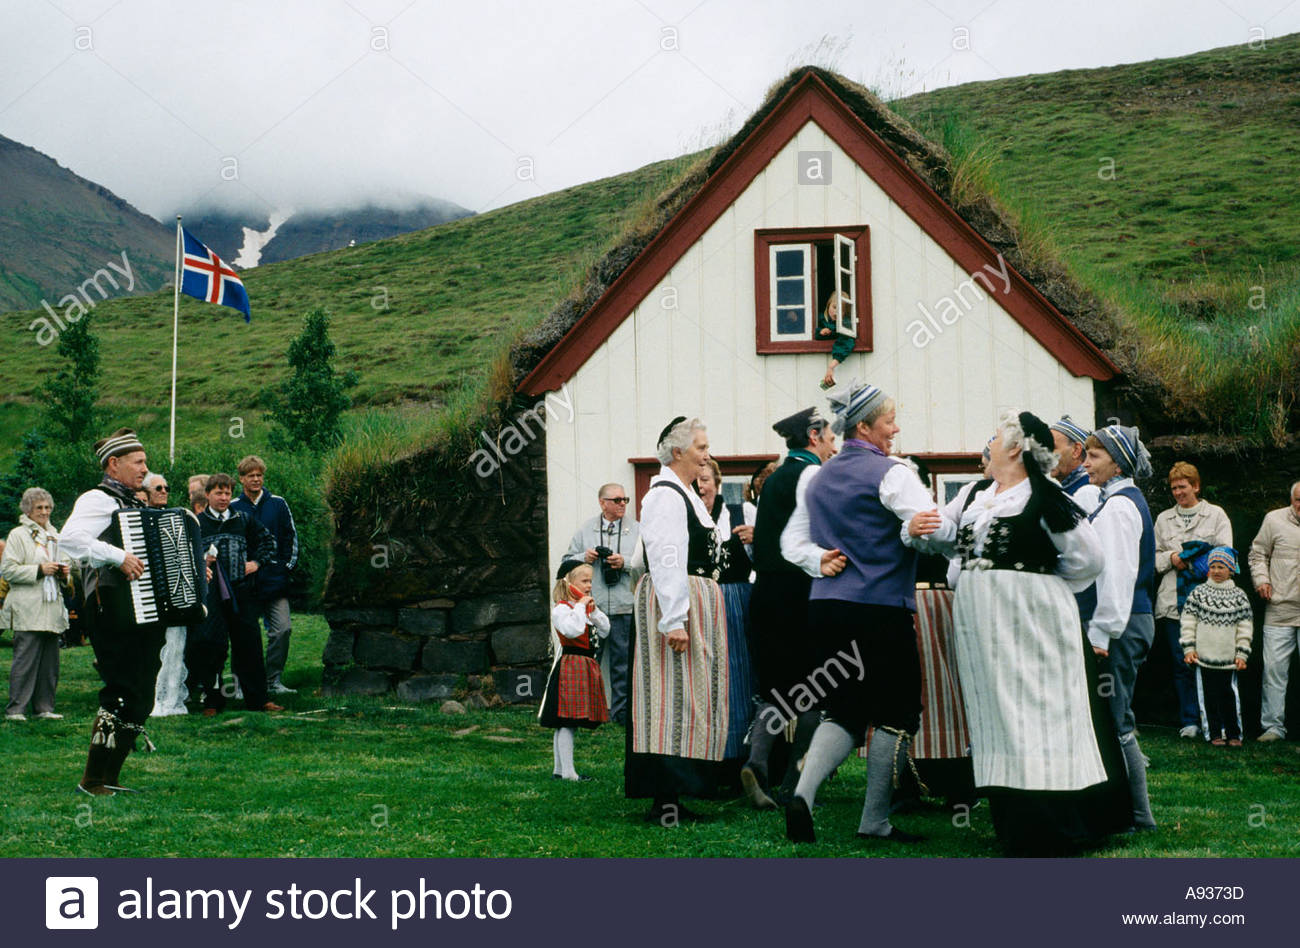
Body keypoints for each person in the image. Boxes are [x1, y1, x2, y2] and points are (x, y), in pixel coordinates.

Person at [924, 411, 1130, 854]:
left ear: (1015, 448)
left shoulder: (1045, 496)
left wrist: (1035, 580)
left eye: (997, 436)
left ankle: (1056, 823)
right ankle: (1014, 820)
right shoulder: (976, 494)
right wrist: (915, 525)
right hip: (981, 623)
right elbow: (948, 537)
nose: (991, 441)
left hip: (1032, 620)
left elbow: (1088, 560)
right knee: (998, 712)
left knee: (1038, 709)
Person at [781, 382, 950, 845]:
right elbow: (931, 531)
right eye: (889, 420)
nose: (895, 428)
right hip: (879, 608)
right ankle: (874, 820)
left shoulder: (816, 477)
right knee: (896, 713)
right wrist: (915, 530)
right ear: (864, 426)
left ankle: (804, 792)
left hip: (826, 608)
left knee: (844, 711)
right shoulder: (893, 472)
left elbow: (790, 544)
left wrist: (818, 561)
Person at [625, 417, 729, 825]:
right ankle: (665, 798)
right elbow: (666, 559)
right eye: (701, 448)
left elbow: (637, 562)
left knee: (685, 695)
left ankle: (676, 792)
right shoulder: (665, 496)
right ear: (678, 452)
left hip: (690, 601)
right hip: (678, 605)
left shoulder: (681, 493)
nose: (707, 455)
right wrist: (673, 619)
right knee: (668, 697)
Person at [740, 406, 840, 810]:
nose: (834, 446)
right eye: (831, 438)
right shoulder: (813, 476)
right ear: (814, 437)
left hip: (765, 592)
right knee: (815, 691)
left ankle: (757, 763)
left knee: (775, 690)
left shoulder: (776, 478)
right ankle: (794, 784)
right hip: (800, 593)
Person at [61, 428, 163, 795]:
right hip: (110, 611)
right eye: (138, 462)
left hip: (140, 612)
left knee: (142, 694)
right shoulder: (98, 499)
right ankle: (92, 779)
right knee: (120, 691)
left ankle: (111, 777)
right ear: (114, 464)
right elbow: (70, 540)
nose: (145, 469)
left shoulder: (131, 502)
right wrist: (118, 556)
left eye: (146, 462)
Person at [1082, 423, 1158, 830]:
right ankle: (1123, 812)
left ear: (1117, 462)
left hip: (1123, 625)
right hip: (1125, 623)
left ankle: (1140, 815)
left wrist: (1101, 633)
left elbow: (1118, 576)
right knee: (1112, 717)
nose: (1086, 462)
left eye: (1094, 456)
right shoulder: (1113, 501)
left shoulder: (1120, 507)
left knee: (1117, 717)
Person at [187, 474, 283, 716]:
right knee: (212, 645)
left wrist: (257, 563)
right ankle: (213, 700)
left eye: (228, 493)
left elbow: (268, 541)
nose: (224, 498)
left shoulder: (243, 520)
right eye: (218, 493)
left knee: (249, 645)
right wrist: (201, 561)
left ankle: (258, 699)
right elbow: (184, 556)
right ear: (207, 494)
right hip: (211, 595)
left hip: (242, 592)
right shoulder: (197, 523)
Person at [1153, 462, 1232, 738]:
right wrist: (1173, 558)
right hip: (1173, 604)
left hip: (1210, 602)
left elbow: (1226, 553)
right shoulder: (1163, 519)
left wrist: (1196, 563)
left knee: (1214, 661)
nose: (1177, 492)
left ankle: (1218, 721)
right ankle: (1190, 721)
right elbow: (1153, 558)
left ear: (1196, 486)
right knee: (1181, 663)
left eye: (1182, 487)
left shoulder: (1216, 515)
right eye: (1173, 488)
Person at [695, 457, 755, 784]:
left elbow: (771, 553)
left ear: (717, 482)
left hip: (736, 603)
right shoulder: (685, 515)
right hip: (701, 604)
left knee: (739, 678)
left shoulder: (742, 511)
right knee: (705, 680)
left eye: (706, 479)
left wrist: (757, 539)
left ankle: (738, 759)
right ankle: (706, 758)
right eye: (696, 480)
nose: (701, 485)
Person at [562, 483, 640, 725]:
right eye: (616, 500)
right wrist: (583, 558)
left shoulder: (637, 530)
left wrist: (624, 563)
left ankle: (621, 715)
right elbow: (565, 562)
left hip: (623, 607)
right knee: (588, 662)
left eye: (624, 499)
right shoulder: (586, 529)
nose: (622, 504)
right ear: (602, 502)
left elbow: (649, 563)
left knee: (622, 666)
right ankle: (586, 713)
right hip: (591, 610)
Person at [230, 455, 299, 695]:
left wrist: (284, 567)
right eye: (251, 476)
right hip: (245, 582)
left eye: (260, 475)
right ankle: (241, 684)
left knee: (283, 629)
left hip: (275, 580)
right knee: (244, 634)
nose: (256, 479)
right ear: (242, 479)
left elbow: (291, 538)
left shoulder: (278, 504)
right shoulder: (233, 507)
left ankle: (272, 680)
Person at [3, 488, 73, 721]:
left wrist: (64, 574)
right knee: (26, 659)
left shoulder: (55, 534)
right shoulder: (18, 535)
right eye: (39, 508)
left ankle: (44, 707)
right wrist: (39, 570)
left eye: (47, 507)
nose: (44, 512)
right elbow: (8, 570)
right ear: (28, 511)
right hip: (28, 605)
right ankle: (16, 709)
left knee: (49, 662)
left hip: (51, 606)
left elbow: (67, 565)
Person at [539, 560, 609, 780]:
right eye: (584, 580)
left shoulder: (584, 609)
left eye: (591, 581)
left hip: (585, 665)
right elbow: (572, 630)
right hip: (572, 666)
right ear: (569, 582)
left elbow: (606, 629)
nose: (589, 585)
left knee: (568, 721)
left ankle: (560, 770)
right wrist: (580, 606)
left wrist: (594, 610)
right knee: (566, 720)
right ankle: (567, 772)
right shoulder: (562, 609)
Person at [1180, 547, 1251, 747]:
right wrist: (1189, 648)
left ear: (1231, 569)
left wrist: (1242, 653)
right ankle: (1213, 734)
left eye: (1221, 567)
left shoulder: (1239, 595)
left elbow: (1245, 626)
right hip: (1204, 657)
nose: (1217, 571)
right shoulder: (1199, 593)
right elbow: (1188, 622)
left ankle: (1234, 734)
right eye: (1213, 566)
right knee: (1208, 698)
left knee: (1229, 696)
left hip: (1228, 659)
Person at [1248, 480, 1300, 742]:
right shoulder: (1274, 520)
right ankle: (1273, 727)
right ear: (1291, 500)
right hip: (1279, 609)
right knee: (1274, 670)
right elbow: (1257, 554)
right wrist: (1262, 581)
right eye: (1299, 500)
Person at [139, 473, 191, 718]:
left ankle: (171, 698)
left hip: (174, 590)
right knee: (150, 646)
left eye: (166, 487)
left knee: (175, 643)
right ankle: (151, 699)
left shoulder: (176, 517)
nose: (163, 491)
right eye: (158, 487)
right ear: (147, 492)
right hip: (146, 591)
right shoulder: (137, 519)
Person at [1049, 415, 1100, 513]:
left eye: (1052, 447)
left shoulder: (1087, 492)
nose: (1045, 454)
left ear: (1076, 450)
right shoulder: (1073, 489)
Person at [818, 291, 855, 390]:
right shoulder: (820, 319)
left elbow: (846, 341)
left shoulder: (845, 325)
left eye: (841, 310)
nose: (836, 312)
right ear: (828, 304)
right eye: (834, 307)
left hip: (837, 367)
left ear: (845, 313)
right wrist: (819, 332)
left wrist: (832, 366)